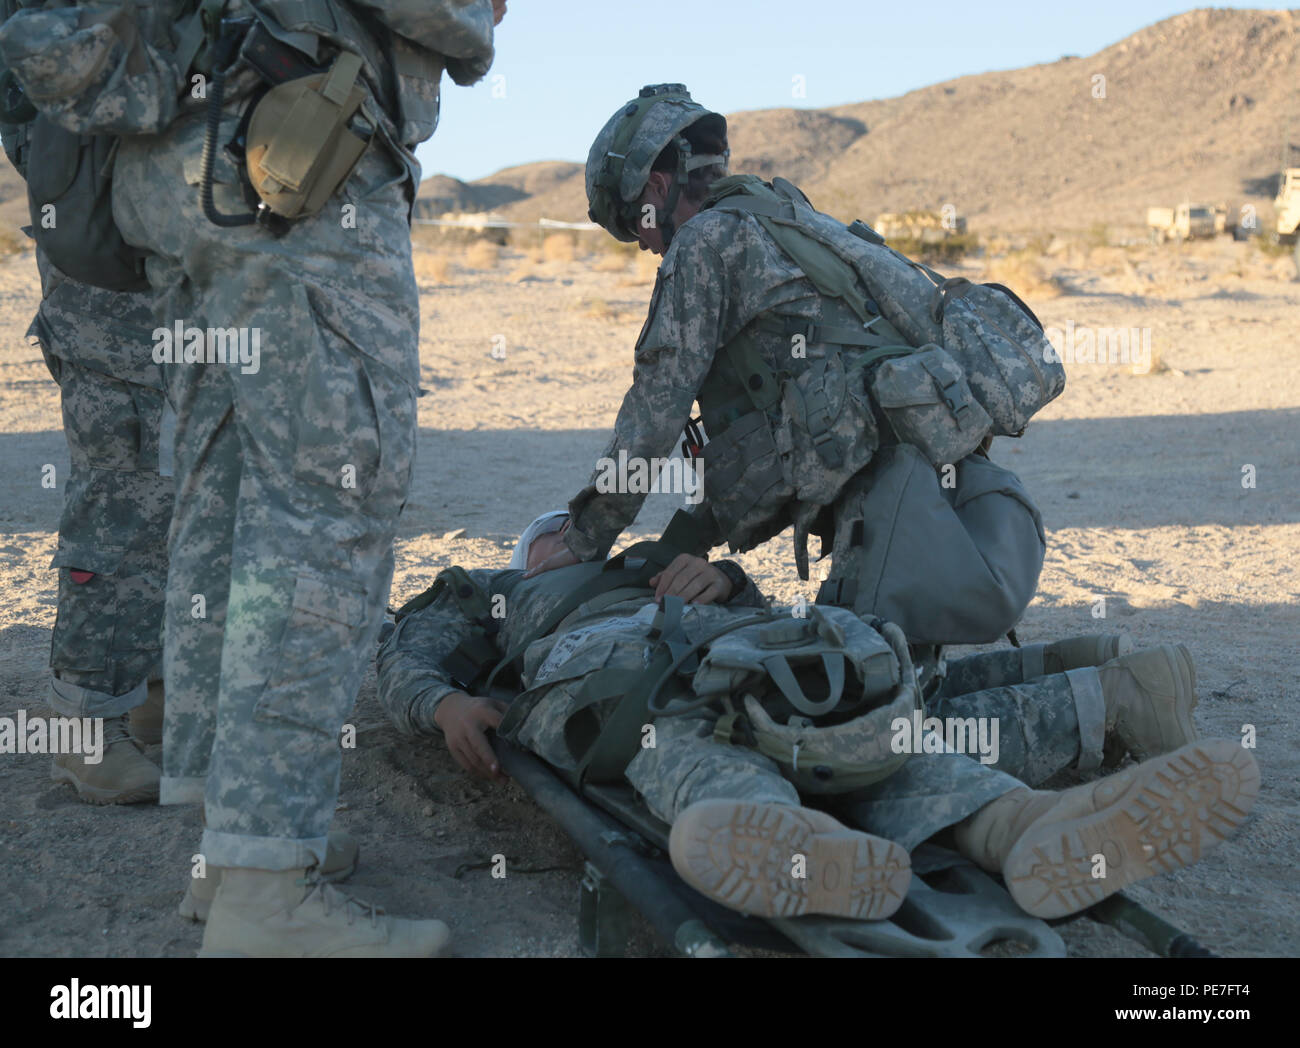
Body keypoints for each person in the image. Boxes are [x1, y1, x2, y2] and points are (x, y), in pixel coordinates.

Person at [7, 0, 510, 957]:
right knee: (328, 510)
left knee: (220, 499)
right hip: (286, 159)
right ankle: (266, 889)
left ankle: (228, 844)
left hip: (170, 171)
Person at [377, 514, 1258, 924]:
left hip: (759, 651)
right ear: (523, 560)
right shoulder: (498, 597)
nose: (572, 540)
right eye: (552, 538)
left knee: (868, 732)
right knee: (679, 736)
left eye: (581, 532)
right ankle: (790, 844)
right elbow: (404, 654)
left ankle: (1020, 829)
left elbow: (745, 592)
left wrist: (724, 580)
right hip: (614, 680)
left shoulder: (656, 560)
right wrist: (446, 702)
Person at [526, 84, 1054, 660]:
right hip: (923, 478)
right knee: (889, 669)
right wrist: (688, 541)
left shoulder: (703, 243)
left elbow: (655, 411)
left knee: (848, 691)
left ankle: (1111, 695)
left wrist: (584, 538)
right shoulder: (785, 215)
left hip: (885, 495)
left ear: (655, 187)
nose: (645, 246)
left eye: (634, 225)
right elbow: (777, 442)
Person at [0, 105, 170, 805]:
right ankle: (82, 722)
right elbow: (34, 110)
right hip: (115, 289)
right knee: (122, 499)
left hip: (184, 275)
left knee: (188, 487)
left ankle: (149, 685)